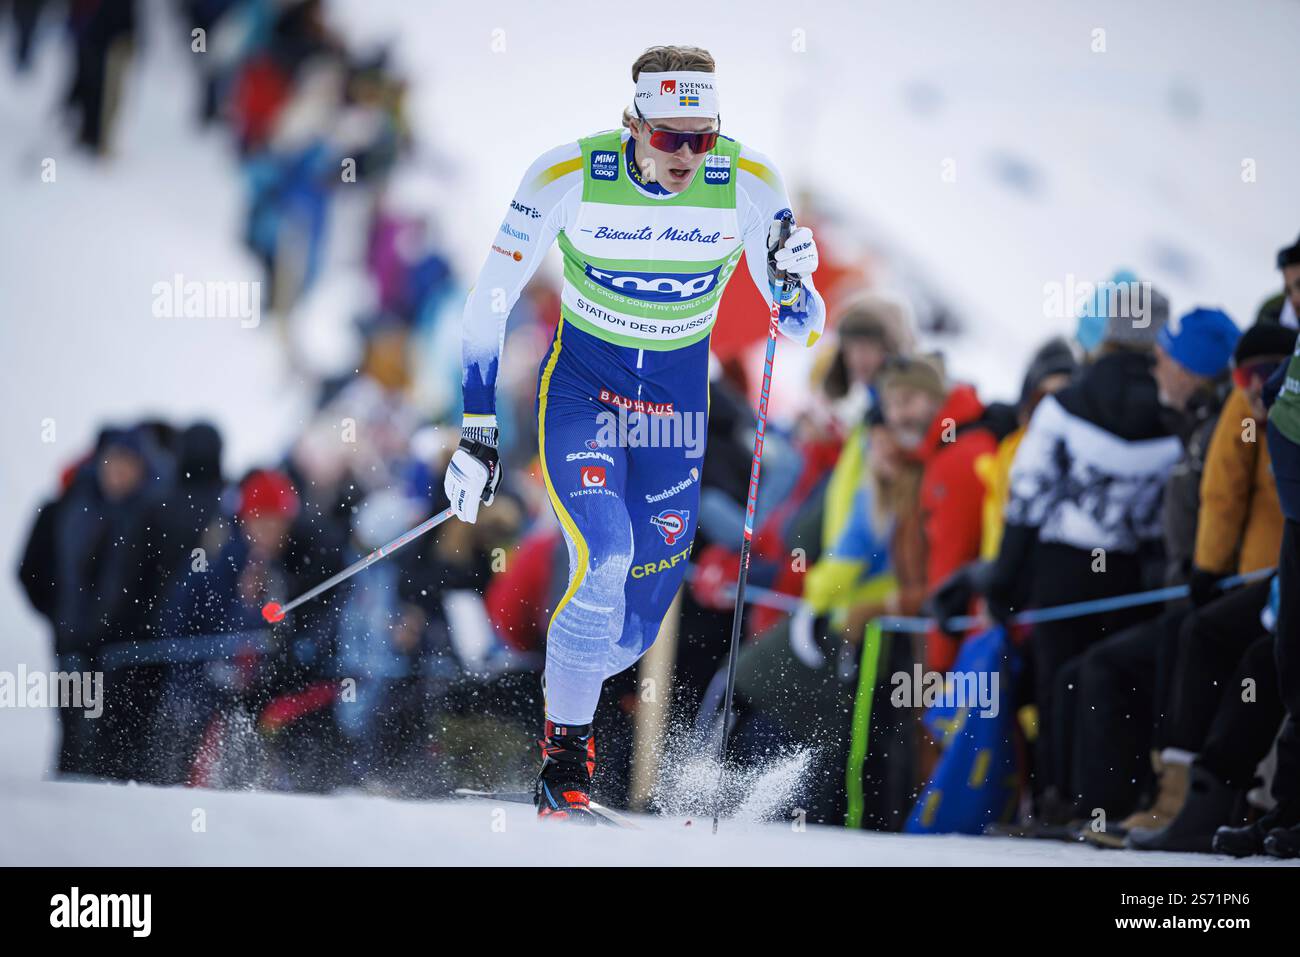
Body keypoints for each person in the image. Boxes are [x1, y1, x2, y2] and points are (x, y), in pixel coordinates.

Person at [441, 45, 825, 822]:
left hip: (676, 417)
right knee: (603, 551)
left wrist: (799, 282)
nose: (688, 155)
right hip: (583, 395)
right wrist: (478, 428)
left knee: (631, 626)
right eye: (670, 136)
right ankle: (564, 771)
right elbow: (487, 303)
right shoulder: (566, 177)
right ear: (634, 123)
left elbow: (802, 326)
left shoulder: (747, 184)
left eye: (703, 137)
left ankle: (559, 693)